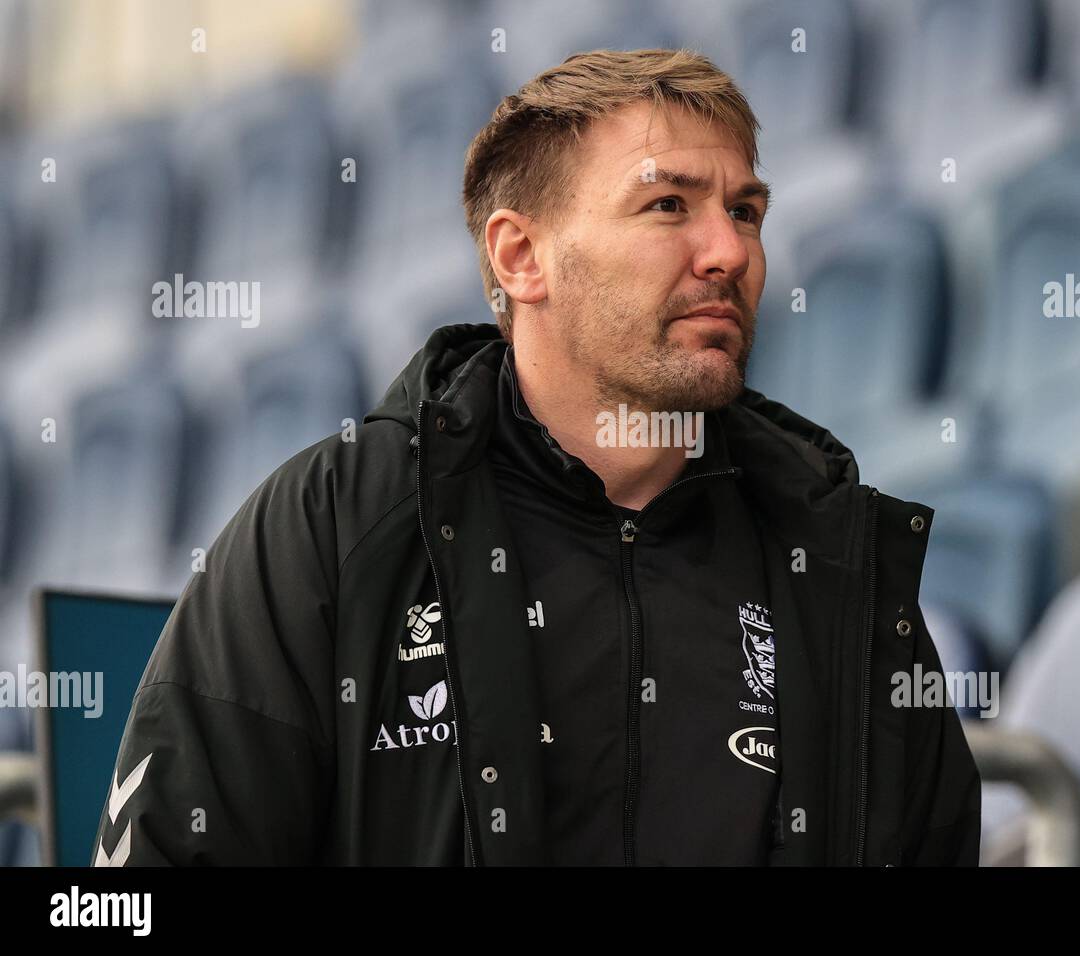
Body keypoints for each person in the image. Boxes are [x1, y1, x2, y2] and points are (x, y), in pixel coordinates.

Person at [91, 48, 979, 866]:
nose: (730, 252)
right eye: (668, 205)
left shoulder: (831, 553)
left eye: (745, 212)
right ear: (521, 256)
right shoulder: (339, 526)